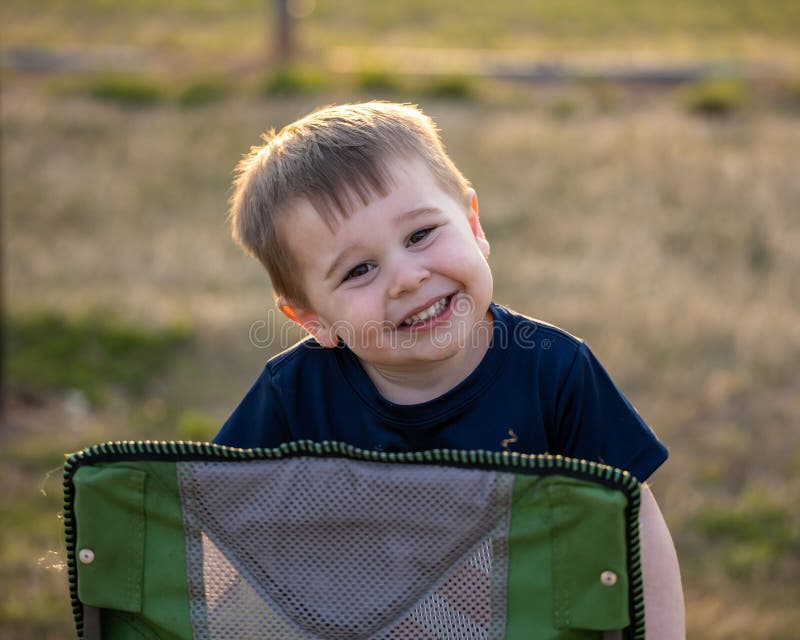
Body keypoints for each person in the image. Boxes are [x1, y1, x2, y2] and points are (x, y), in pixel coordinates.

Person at [214, 101, 685, 637]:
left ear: (473, 224)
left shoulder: (552, 371)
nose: (408, 278)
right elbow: (217, 531)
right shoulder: (294, 397)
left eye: (420, 235)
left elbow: (632, 520)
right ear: (312, 318)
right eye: (359, 269)